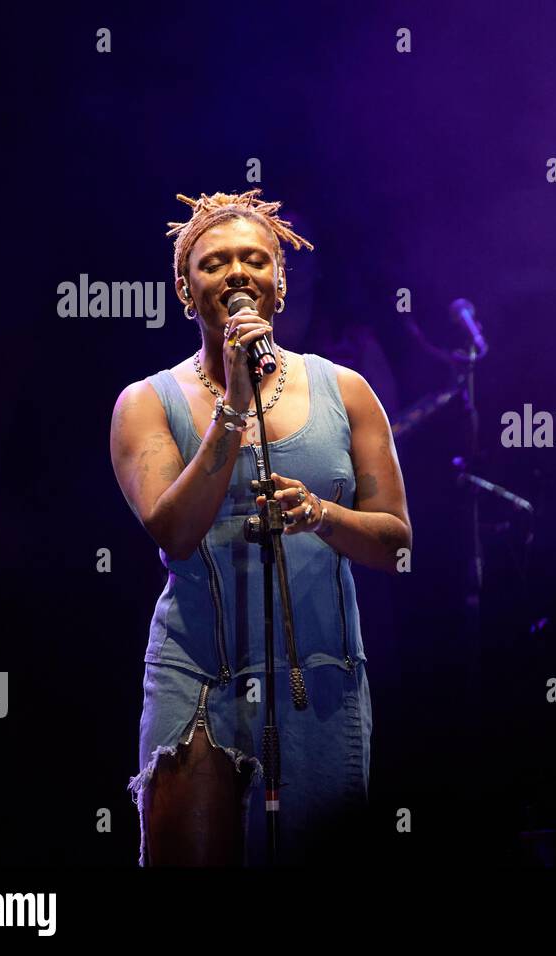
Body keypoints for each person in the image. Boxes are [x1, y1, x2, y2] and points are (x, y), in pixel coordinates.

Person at [110, 189, 411, 866]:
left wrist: (321, 515)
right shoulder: (144, 403)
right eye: (215, 263)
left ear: (279, 282)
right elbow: (175, 531)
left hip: (319, 680)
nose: (237, 273)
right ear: (187, 291)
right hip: (200, 677)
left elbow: (397, 544)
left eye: (254, 260)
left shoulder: (348, 391)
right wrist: (234, 408)